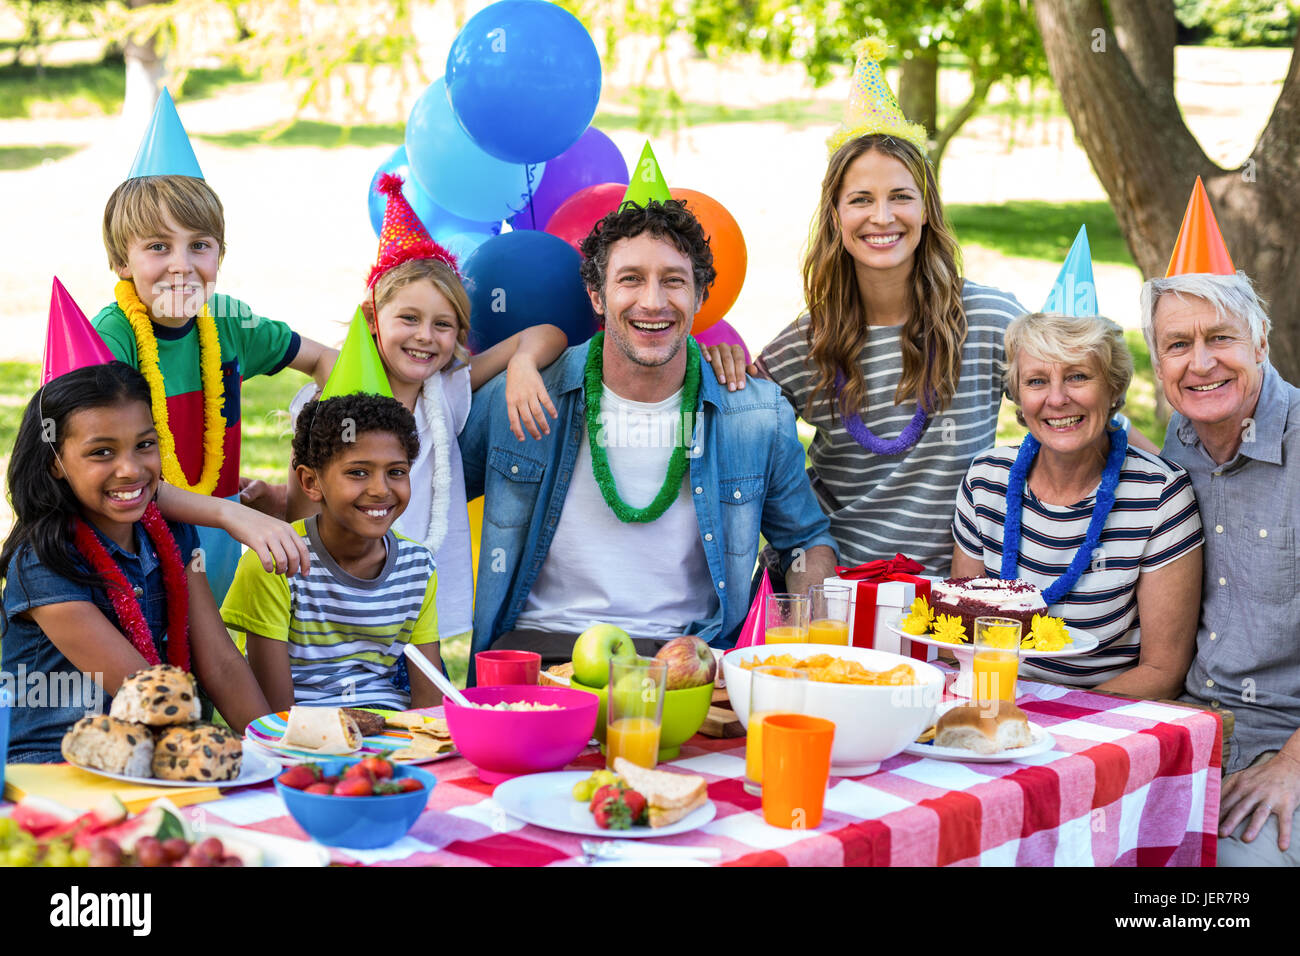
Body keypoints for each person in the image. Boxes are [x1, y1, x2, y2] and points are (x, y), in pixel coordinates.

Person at [459, 198, 839, 678]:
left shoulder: (756, 415)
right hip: (539, 658)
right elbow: (420, 488)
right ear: (597, 296)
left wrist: (807, 646)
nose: (653, 302)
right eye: (631, 278)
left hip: (690, 663)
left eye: (674, 280)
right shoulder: (521, 395)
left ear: (700, 297)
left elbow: (805, 540)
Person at [264, 174, 566, 656]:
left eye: (443, 325)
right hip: (335, 609)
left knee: (424, 721)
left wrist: (524, 363)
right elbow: (303, 516)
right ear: (371, 320)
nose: (425, 336)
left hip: (415, 612)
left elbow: (547, 332)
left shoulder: (444, 393)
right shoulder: (324, 403)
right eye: (408, 318)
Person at [92, 94, 336, 604]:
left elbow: (324, 361)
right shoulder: (113, 340)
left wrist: (308, 467)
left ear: (219, 254)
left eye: (199, 245)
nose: (182, 265)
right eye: (158, 246)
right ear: (121, 261)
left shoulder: (229, 321)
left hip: (219, 539)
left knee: (216, 660)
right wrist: (233, 513)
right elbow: (123, 469)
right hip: (136, 544)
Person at [1140, 180, 1300, 865]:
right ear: (1158, 362)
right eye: (1178, 345)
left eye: (1220, 338)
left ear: (1260, 342)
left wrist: (1291, 766)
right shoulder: (1177, 447)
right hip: (1188, 724)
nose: (1200, 363)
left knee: (1225, 877)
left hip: (1284, 742)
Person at [0, 362, 270, 763]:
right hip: (53, 761)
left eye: (144, 445)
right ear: (55, 462)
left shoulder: (173, 534)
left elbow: (222, 664)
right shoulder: (43, 560)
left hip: (154, 753)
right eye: (101, 452)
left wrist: (278, 754)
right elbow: (146, 693)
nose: (130, 469)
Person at [950, 311, 1203, 696]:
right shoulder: (986, 480)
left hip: (1103, 718)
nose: (1057, 398)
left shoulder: (1159, 494)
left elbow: (1162, 669)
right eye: (1036, 381)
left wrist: (1054, 721)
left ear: (1113, 388)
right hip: (994, 699)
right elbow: (962, 638)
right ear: (1018, 398)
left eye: (1077, 376)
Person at [221, 392, 443, 711]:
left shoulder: (417, 567)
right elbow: (275, 714)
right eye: (358, 472)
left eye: (396, 472)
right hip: (302, 741)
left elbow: (429, 703)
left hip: (395, 736)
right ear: (311, 482)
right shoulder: (275, 562)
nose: (381, 489)